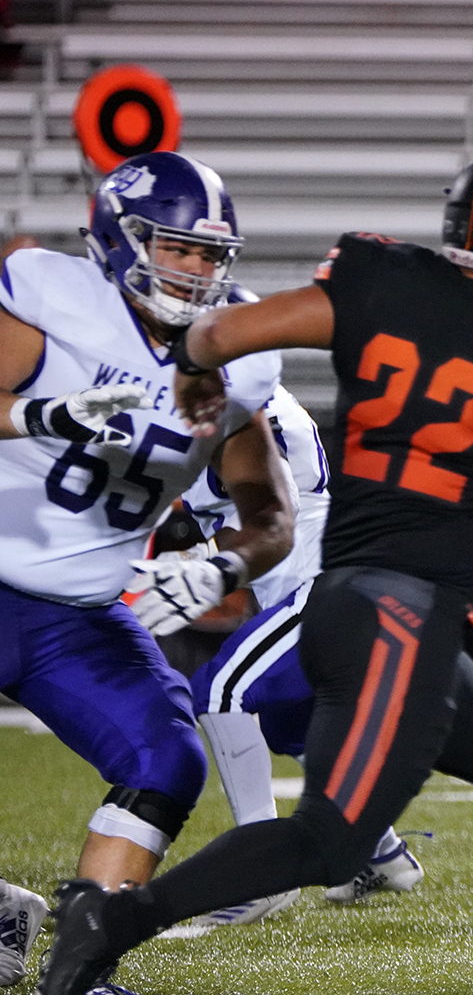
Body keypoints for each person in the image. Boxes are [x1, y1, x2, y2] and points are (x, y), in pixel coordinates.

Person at [36, 150, 473, 995]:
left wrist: (191, 374)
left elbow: (216, 334)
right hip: (402, 611)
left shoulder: (379, 274)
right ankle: (110, 918)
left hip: (361, 599)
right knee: (328, 840)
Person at [0, 151, 294, 984]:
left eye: (210, 255)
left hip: (80, 615)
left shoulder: (234, 353)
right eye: (178, 248)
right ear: (121, 238)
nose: (196, 270)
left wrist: (218, 570)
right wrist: (38, 414)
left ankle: (81, 966)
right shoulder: (51, 298)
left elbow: (269, 514)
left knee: (166, 757)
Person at [176, 384, 423, 929]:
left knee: (222, 693)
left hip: (325, 580)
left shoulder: (231, 401)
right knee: (294, 727)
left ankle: (261, 872)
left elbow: (272, 508)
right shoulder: (215, 395)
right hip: (305, 582)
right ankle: (379, 854)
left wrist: (197, 556)